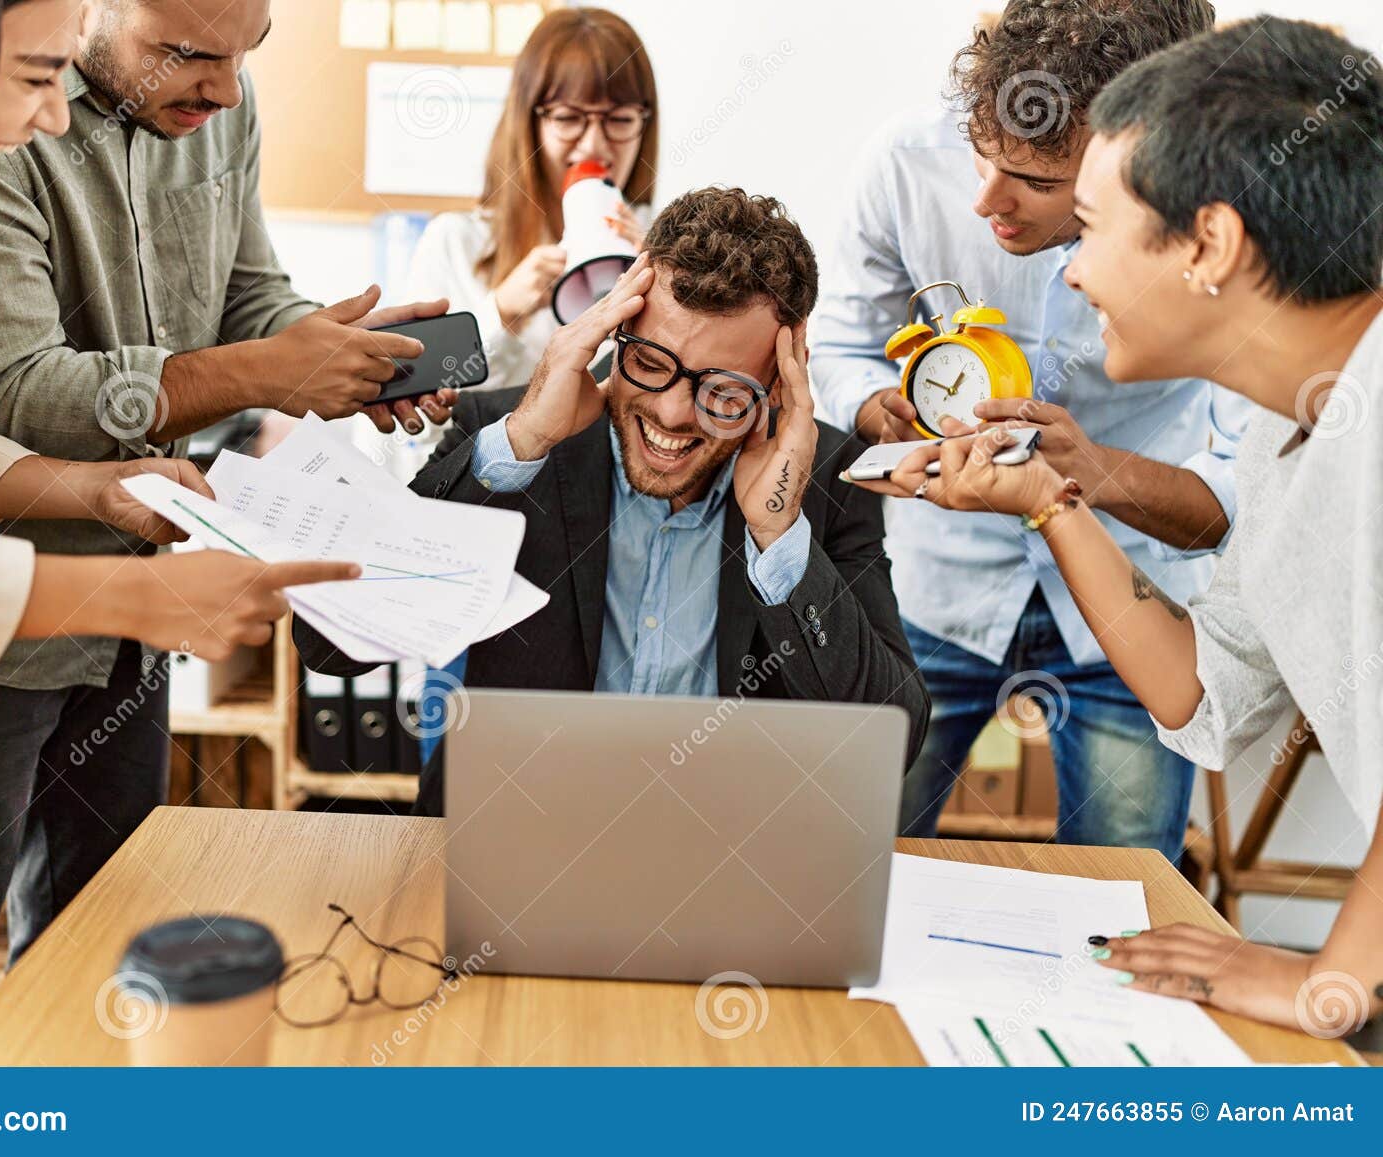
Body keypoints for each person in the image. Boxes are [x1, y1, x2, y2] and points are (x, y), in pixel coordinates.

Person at [0, 0, 356, 1066]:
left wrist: (90, 493)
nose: (54, 119)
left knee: (95, 933)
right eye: (36, 75)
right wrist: (137, 592)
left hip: (86, 605)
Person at [0, 0, 452, 1064]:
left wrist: (333, 354)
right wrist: (262, 372)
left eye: (246, 56)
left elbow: (247, 298)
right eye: (187, 55)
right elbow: (11, 388)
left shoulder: (220, 103)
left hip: (151, 591)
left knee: (110, 939)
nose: (226, 90)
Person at [880, 17, 1382, 1038]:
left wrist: (1330, 976)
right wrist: (1049, 503)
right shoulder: (1286, 445)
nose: (1070, 270)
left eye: (1094, 225)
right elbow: (1196, 687)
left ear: (1208, 244)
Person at [299, 187, 931, 816]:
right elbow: (330, 646)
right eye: (653, 362)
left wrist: (779, 535)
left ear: (779, 379)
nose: (674, 412)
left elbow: (890, 739)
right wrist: (520, 445)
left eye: (724, 388)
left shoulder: (821, 479)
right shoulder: (512, 440)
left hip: (721, 859)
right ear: (616, 328)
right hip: (515, 838)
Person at [813, 0, 1252, 860]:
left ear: (1141, 158)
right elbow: (838, 339)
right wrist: (880, 410)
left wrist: (1086, 472)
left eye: (1042, 184)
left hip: (1132, 605)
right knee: (853, 872)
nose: (984, 202)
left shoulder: (1227, 231)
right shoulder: (908, 160)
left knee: (1118, 900)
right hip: (936, 593)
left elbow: (1231, 502)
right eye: (981, 154)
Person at [405, 7, 656, 397]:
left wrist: (668, 298)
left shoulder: (661, 243)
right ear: (530, 121)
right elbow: (413, 404)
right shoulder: (456, 243)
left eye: (619, 119)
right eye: (569, 118)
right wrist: (501, 314)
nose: (593, 144)